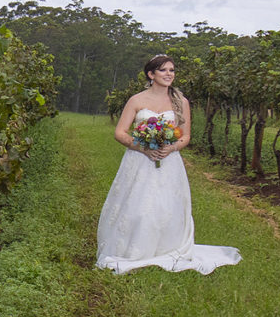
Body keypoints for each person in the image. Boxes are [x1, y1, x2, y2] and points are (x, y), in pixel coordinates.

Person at [97, 54, 242, 275]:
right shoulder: (136, 100)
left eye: (172, 70)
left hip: (169, 161)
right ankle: (133, 248)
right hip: (139, 160)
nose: (169, 75)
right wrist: (142, 147)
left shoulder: (180, 102)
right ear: (151, 74)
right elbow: (119, 132)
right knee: (138, 206)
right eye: (163, 70)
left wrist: (171, 147)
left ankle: (166, 246)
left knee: (166, 207)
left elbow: (185, 137)